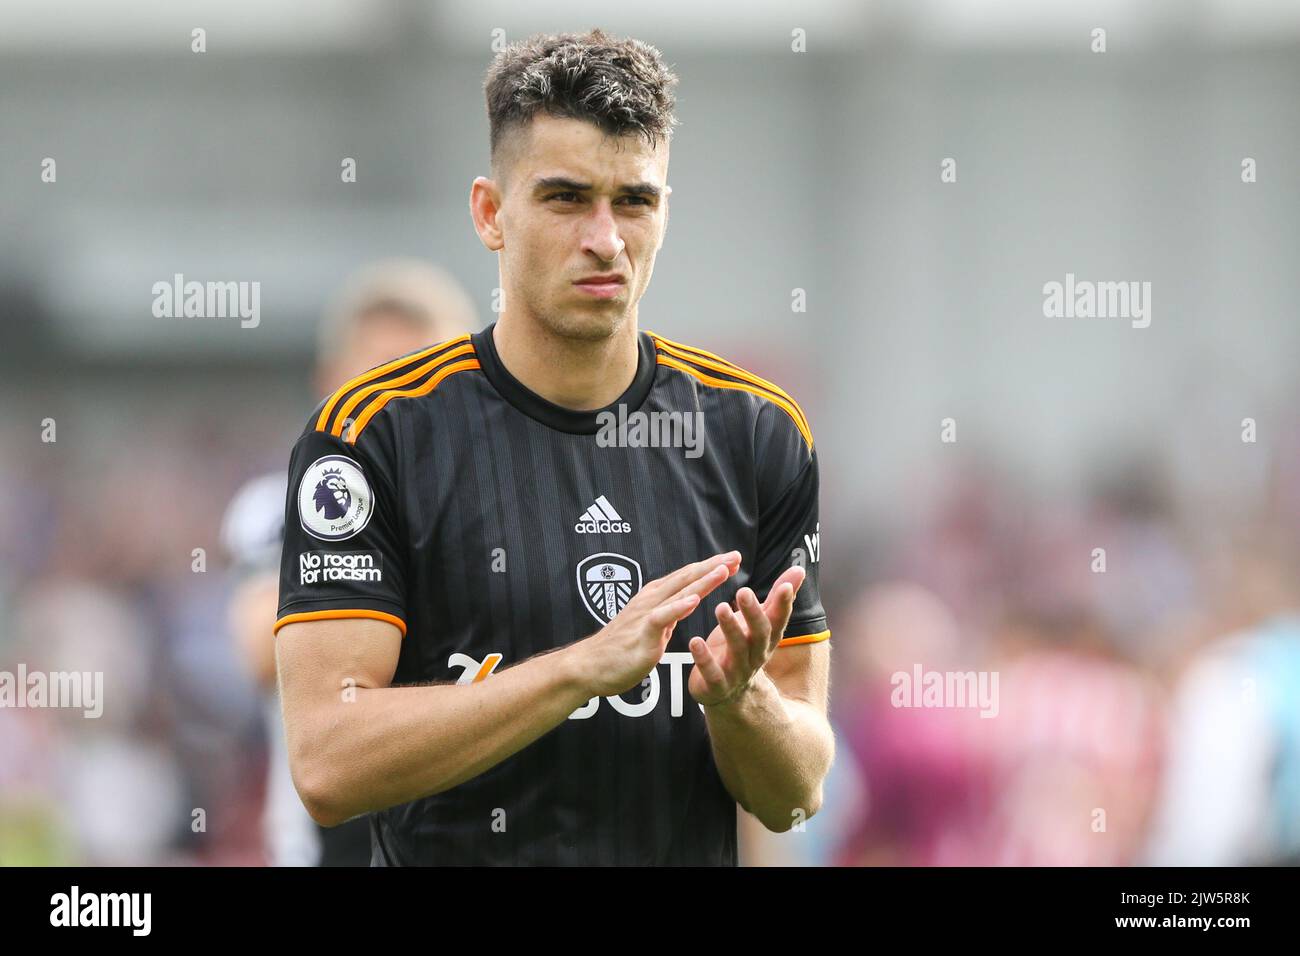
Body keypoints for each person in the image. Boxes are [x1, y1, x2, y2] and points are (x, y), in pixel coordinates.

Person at [274, 28, 833, 866]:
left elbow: (795, 796)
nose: (605, 238)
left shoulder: (756, 433)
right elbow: (328, 762)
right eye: (567, 198)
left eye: (634, 201)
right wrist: (582, 670)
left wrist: (741, 702)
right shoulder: (370, 436)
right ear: (490, 214)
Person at [221, 259, 476, 865]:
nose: (399, 406)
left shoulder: (505, 508)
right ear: (329, 381)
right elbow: (263, 649)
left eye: (422, 377)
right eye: (377, 377)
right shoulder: (282, 506)